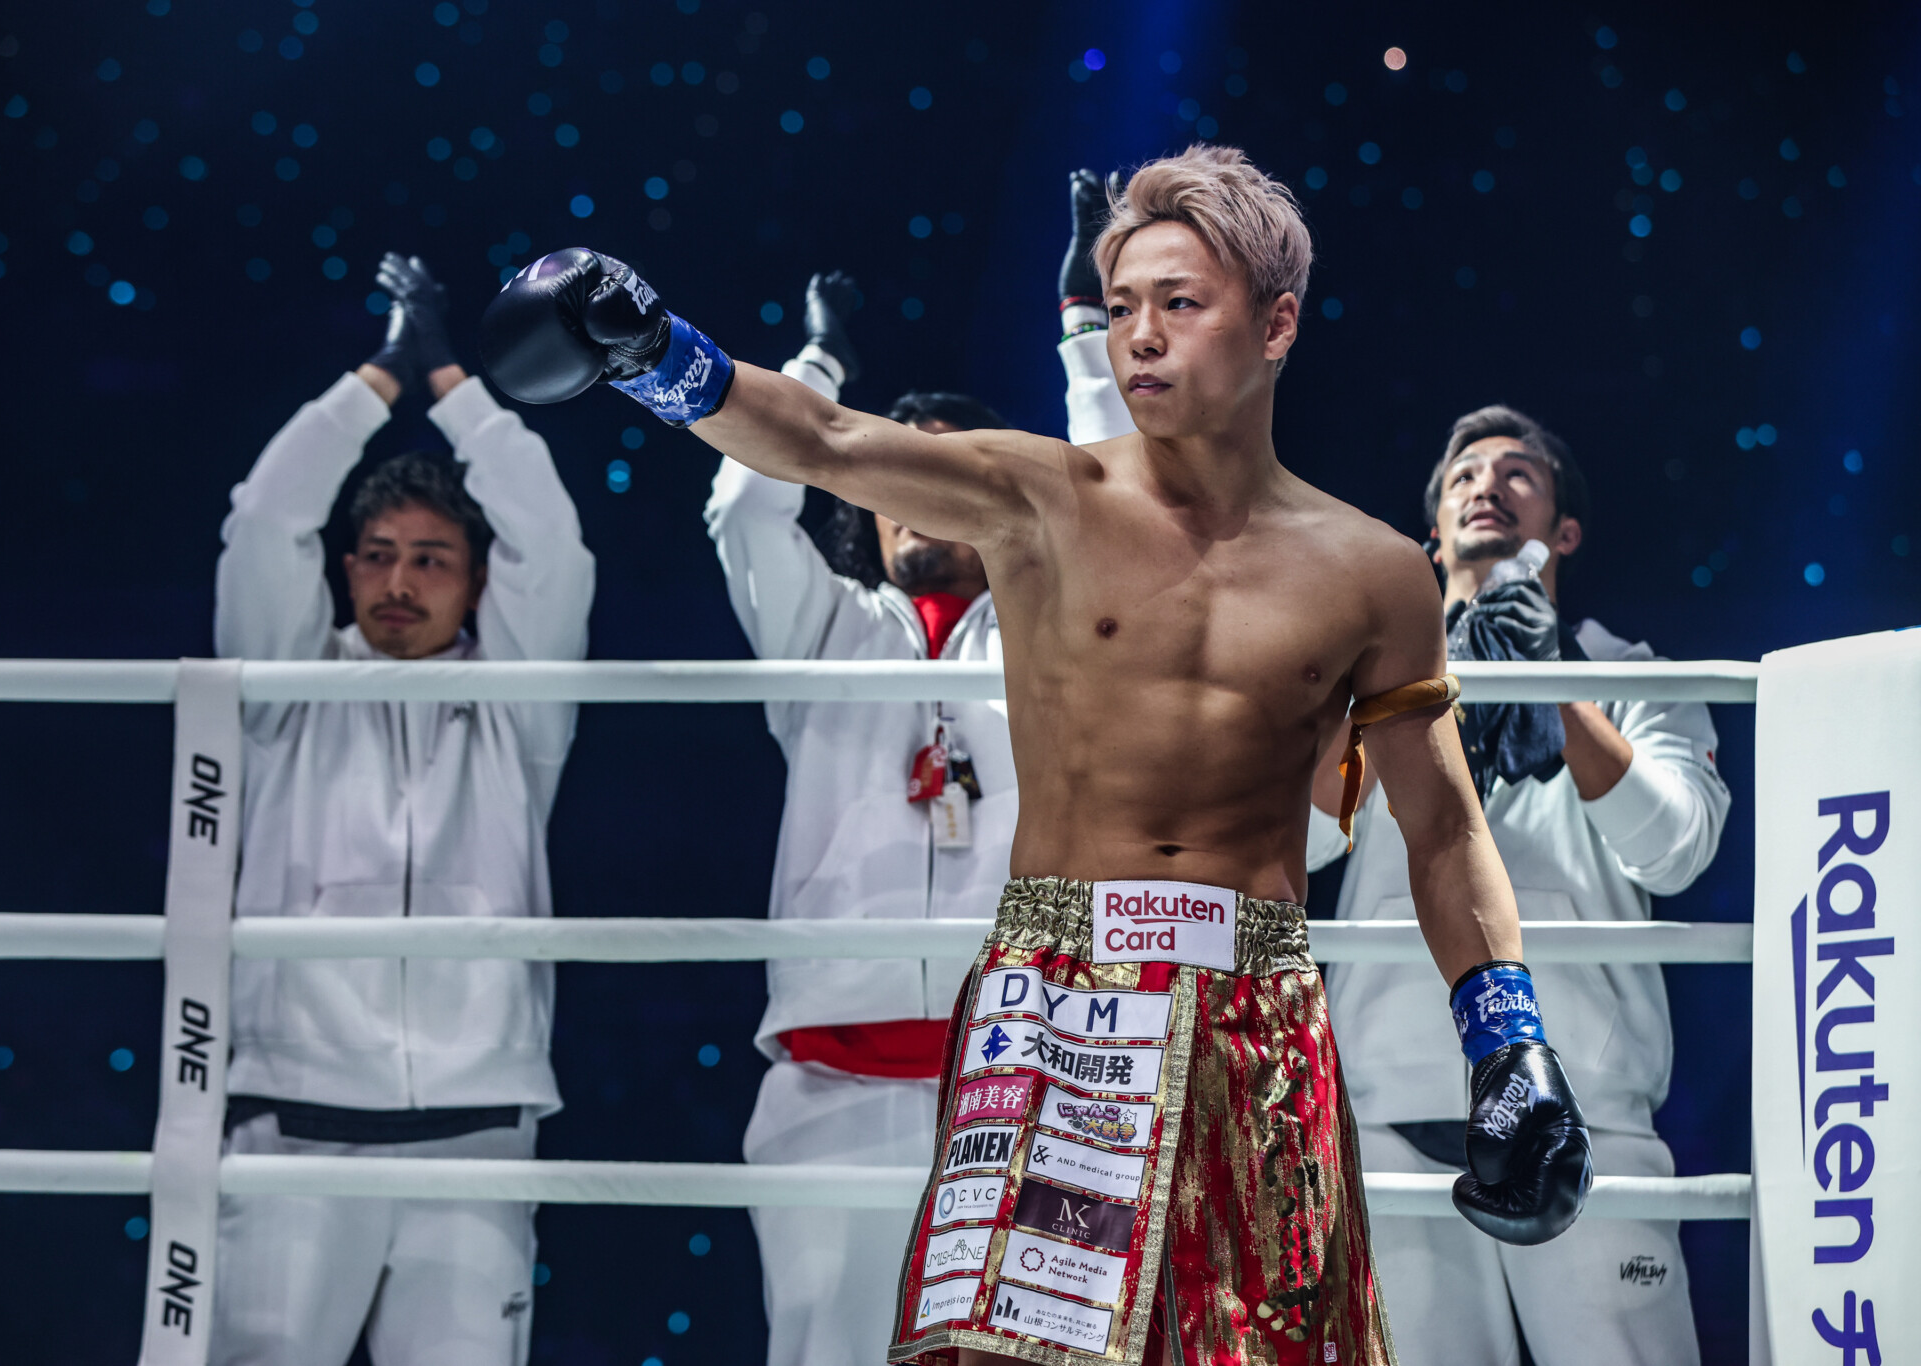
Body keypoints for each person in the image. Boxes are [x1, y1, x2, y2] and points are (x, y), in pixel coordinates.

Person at [480, 143, 1593, 1366]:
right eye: (1120, 309)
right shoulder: (1036, 494)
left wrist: (1507, 1039)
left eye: (1179, 303)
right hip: (1054, 995)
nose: (1141, 338)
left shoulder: (1374, 571)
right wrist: (655, 351)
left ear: (1275, 324)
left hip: (1255, 1011)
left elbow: (1442, 828)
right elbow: (827, 441)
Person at [212, 253, 594, 1366]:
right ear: (342, 571)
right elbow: (263, 514)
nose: (398, 581)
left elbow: (553, 540)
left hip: (476, 1129)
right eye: (376, 557)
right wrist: (379, 375)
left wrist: (454, 383)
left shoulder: (518, 710)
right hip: (294, 1116)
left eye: (430, 559)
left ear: (476, 583)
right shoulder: (281, 689)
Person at [1307, 407, 1728, 1365]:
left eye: (1517, 472)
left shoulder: (1629, 671)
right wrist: (1382, 684)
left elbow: (1677, 848)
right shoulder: (1365, 686)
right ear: (1432, 532)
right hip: (1389, 1124)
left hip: (1591, 1115)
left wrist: (1552, 681)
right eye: (1463, 475)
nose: (1485, 484)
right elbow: (1299, 843)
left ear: (1564, 530)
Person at [706, 270, 1020, 1366]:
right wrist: (817, 370)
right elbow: (744, 502)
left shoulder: (1062, 638)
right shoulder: (820, 630)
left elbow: (1121, 520)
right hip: (829, 1092)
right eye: (893, 466)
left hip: (1019, 1086)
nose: (915, 490)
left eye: (946, 468)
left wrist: (1086, 343)